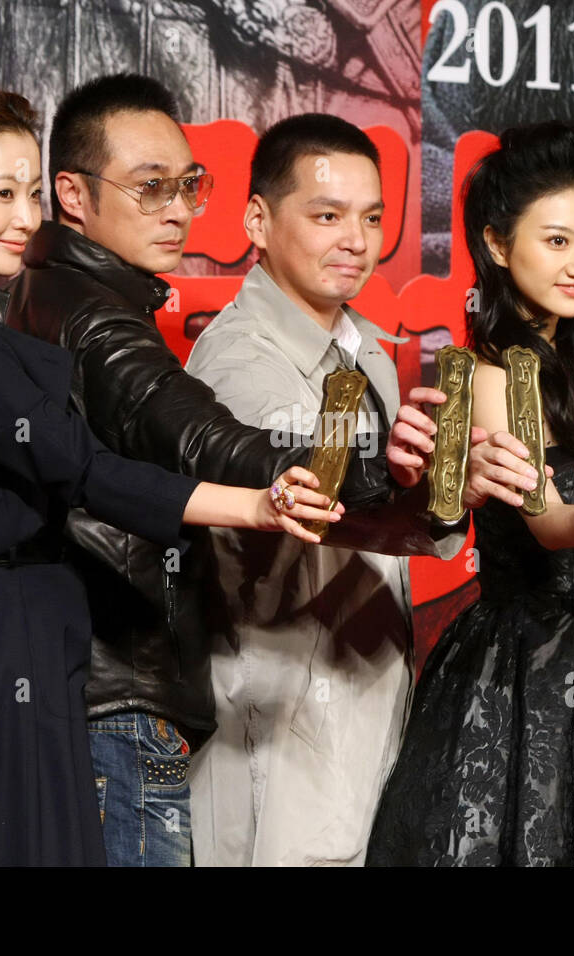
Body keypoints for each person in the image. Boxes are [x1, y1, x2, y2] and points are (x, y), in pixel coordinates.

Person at [0, 64, 336, 866]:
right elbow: (83, 469)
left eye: (32, 194)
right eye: (2, 194)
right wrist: (256, 505)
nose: (28, 218)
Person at [5, 75, 465, 865]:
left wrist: (443, 485)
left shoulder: (368, 351)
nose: (177, 209)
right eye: (151, 188)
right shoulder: (125, 328)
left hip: (329, 713)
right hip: (241, 715)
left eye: (188, 186)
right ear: (72, 195)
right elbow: (216, 445)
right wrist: (380, 475)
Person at [184, 114, 539, 866]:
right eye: (327, 216)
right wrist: (424, 486)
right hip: (279, 720)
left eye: (372, 218)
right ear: (257, 220)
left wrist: (446, 485)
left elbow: (394, 510)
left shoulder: (368, 351)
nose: (356, 239)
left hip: (367, 702)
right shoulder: (238, 358)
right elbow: (319, 500)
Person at [366, 121, 574, 867]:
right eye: (558, 241)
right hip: (524, 669)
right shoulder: (487, 373)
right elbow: (548, 522)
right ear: (498, 244)